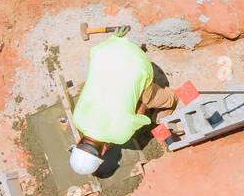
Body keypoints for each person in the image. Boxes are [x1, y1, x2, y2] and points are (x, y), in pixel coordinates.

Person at [68, 35, 178, 176]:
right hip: (106, 50)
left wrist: (135, 100)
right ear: (78, 141)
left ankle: (171, 99)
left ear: (103, 151)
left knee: (148, 98)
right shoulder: (78, 119)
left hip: (138, 63)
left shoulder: (120, 135)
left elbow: (142, 112)